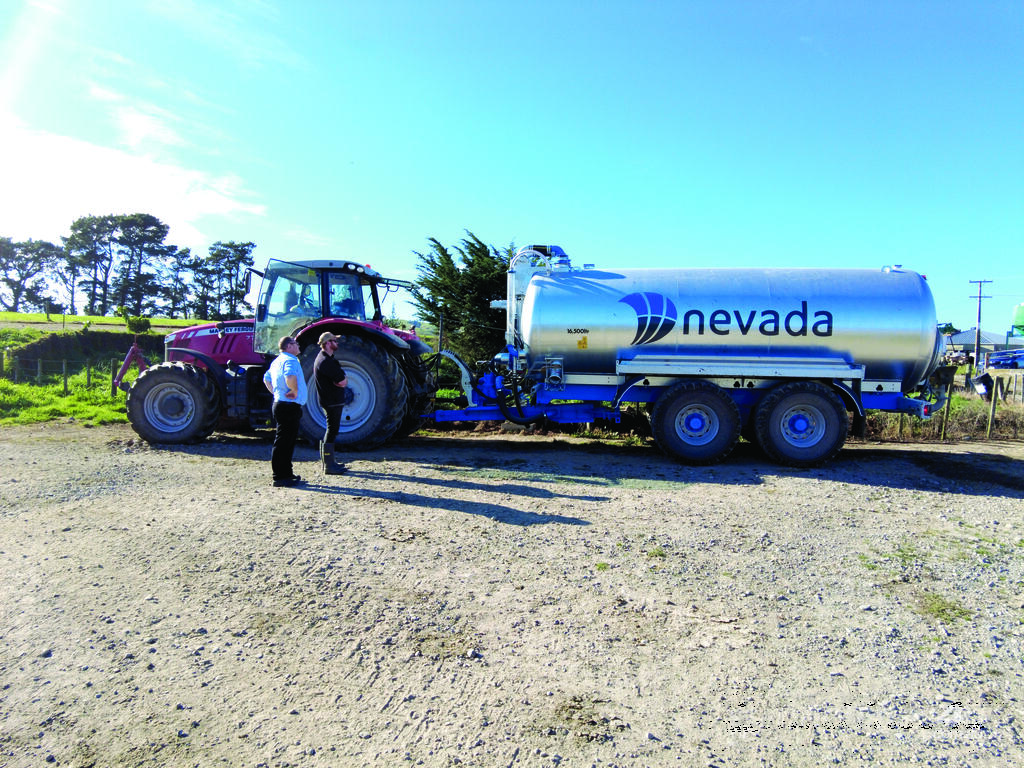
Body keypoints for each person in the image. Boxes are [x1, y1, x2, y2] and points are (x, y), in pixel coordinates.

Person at [263, 336, 307, 487]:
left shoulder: (276, 361)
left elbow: (266, 378)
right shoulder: (290, 360)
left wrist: (276, 393)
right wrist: (294, 390)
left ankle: (286, 473)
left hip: (280, 403)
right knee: (284, 442)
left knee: (286, 441)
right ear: (289, 346)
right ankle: (280, 476)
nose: (298, 345)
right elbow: (289, 375)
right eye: (295, 343)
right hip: (288, 405)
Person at [313, 331, 349, 475]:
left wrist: (340, 380)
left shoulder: (325, 359)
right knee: (332, 429)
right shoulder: (325, 362)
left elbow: (340, 380)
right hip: (332, 401)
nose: (337, 343)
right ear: (327, 343)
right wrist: (342, 380)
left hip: (331, 400)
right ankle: (329, 465)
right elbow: (343, 381)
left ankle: (329, 462)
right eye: (334, 340)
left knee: (332, 429)